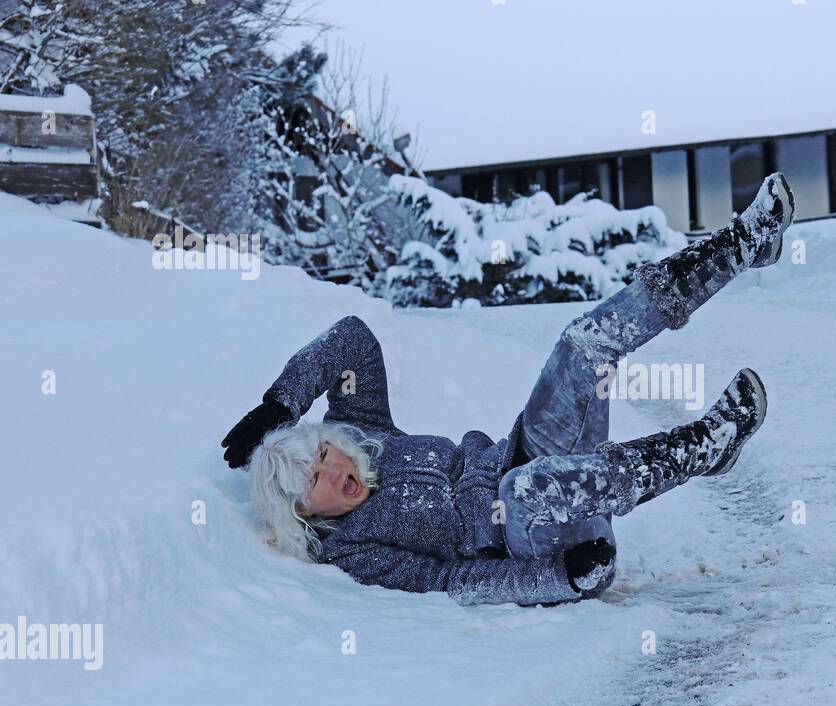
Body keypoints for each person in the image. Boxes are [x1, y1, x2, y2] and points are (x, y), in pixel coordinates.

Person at [221, 173, 795, 605]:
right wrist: (559, 580)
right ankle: (702, 448)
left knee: (583, 344)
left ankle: (741, 245)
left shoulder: (369, 437)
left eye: (322, 453)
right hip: (544, 541)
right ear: (302, 511)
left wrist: (281, 403)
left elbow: (350, 340)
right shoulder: (352, 549)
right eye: (315, 481)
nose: (333, 472)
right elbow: (452, 580)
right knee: (525, 488)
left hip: (528, 456)